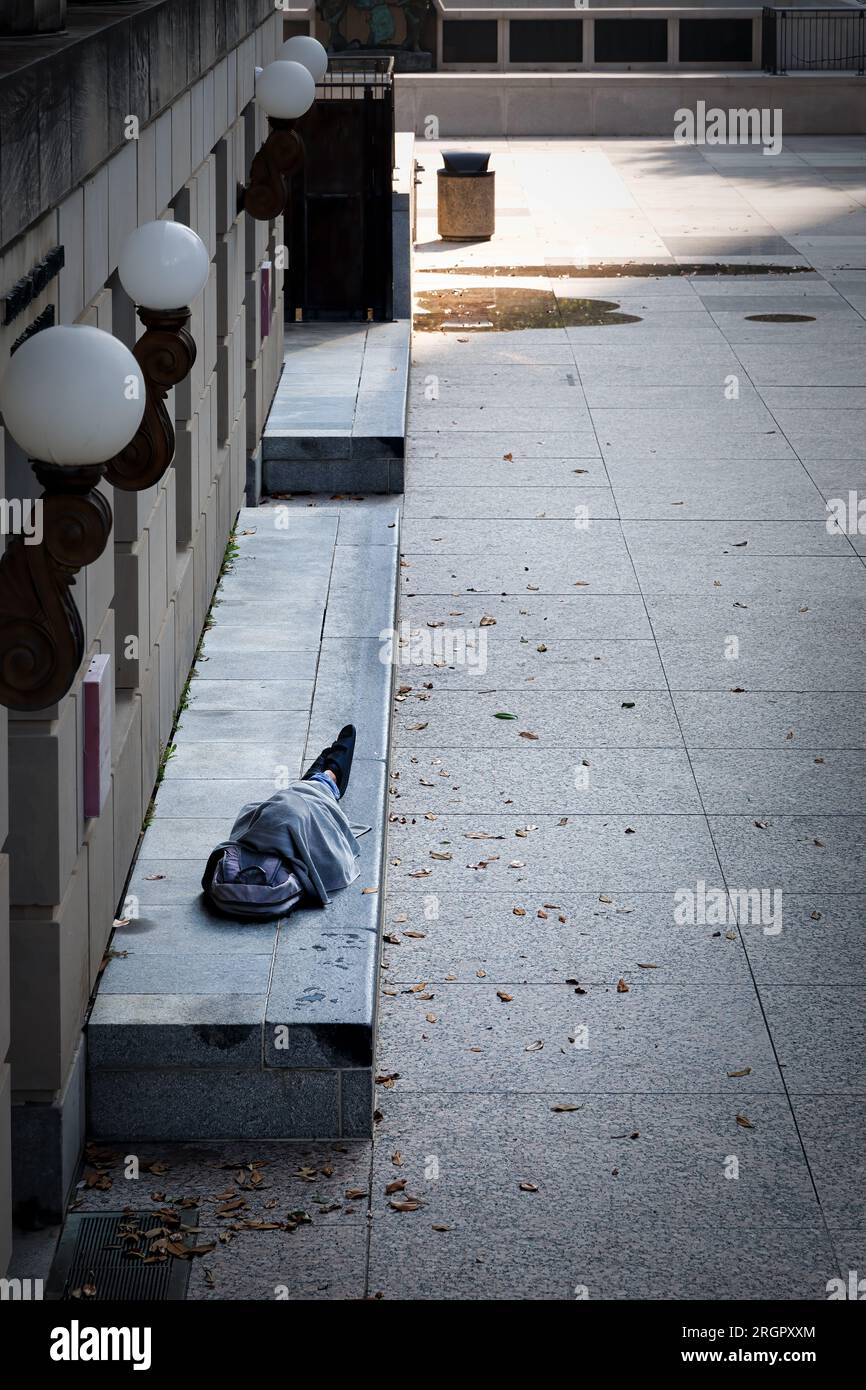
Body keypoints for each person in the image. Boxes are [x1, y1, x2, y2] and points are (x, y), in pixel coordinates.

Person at [202, 725, 368, 917]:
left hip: (290, 809)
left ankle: (324, 766)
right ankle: (330, 767)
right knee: (319, 785)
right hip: (302, 804)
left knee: (305, 789)